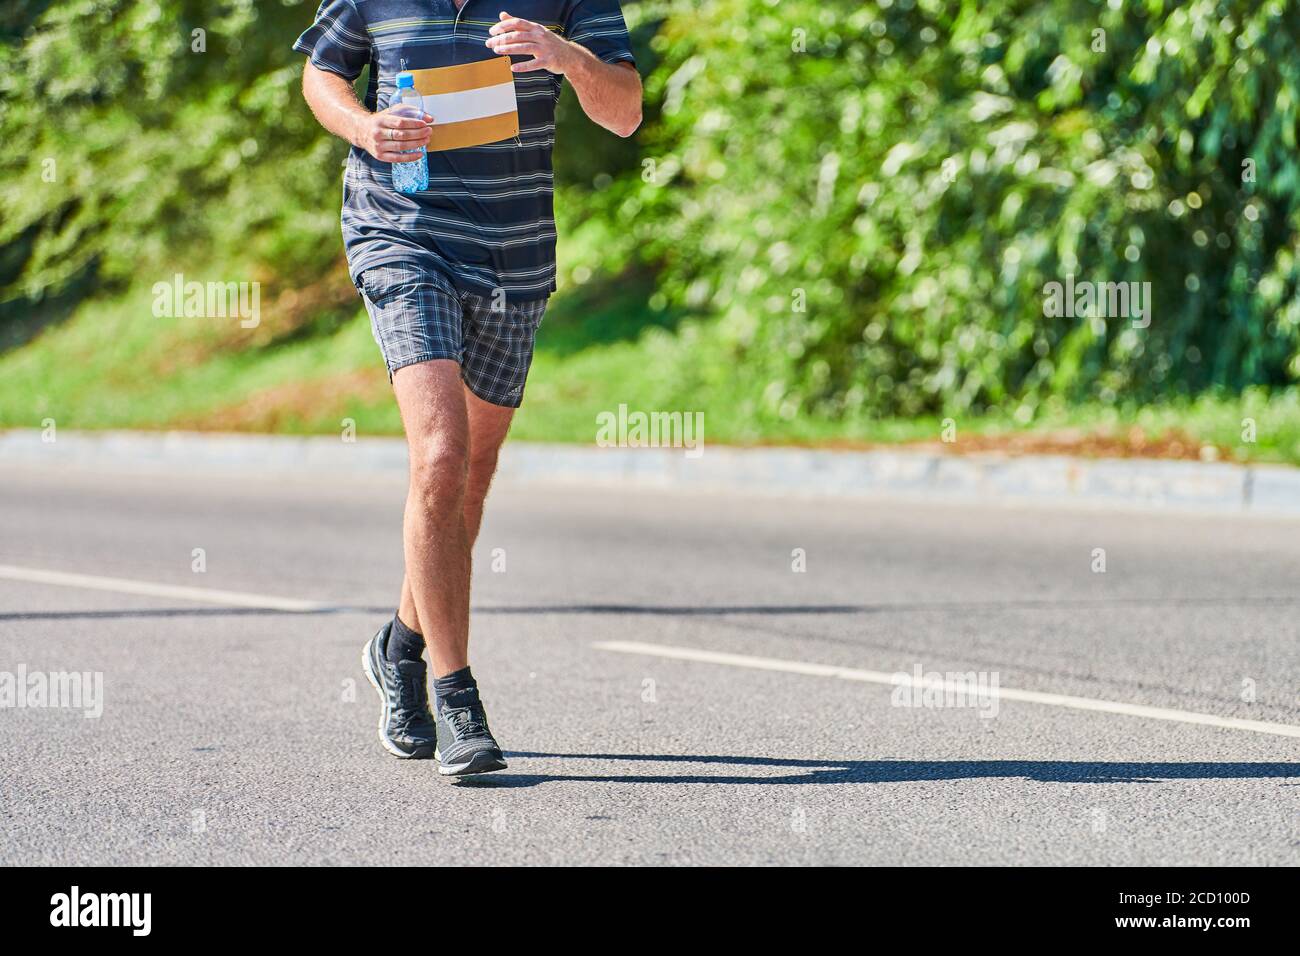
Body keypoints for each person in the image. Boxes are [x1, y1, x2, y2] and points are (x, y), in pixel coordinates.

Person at [293, 0, 641, 774]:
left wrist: (567, 56)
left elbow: (623, 113)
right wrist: (363, 127)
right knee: (441, 457)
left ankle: (402, 645)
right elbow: (322, 73)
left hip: (513, 256)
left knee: (471, 479)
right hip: (401, 234)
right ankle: (458, 699)